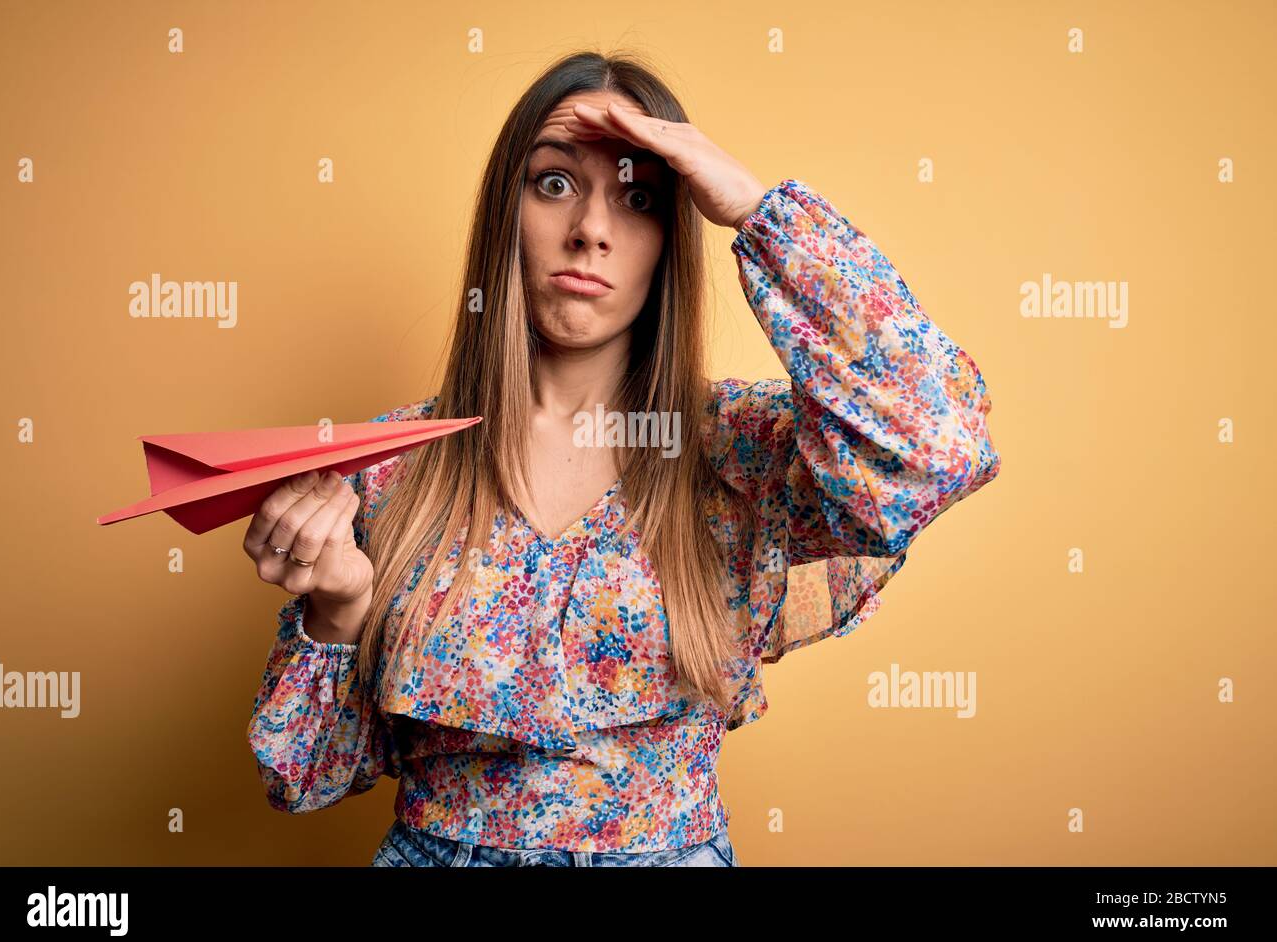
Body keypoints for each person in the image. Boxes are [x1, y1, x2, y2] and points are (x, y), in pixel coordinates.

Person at [242, 50, 1002, 868]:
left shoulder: (737, 451)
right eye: (555, 183)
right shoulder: (395, 468)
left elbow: (938, 444)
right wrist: (340, 609)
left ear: (671, 238)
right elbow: (303, 778)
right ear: (507, 212)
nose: (592, 231)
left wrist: (754, 208)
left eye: (639, 198)